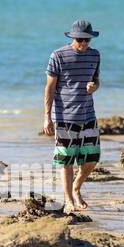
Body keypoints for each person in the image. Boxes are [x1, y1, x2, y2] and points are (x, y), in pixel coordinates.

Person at [42, 19, 101, 211]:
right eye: (80, 40)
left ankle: (77, 187)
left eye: (87, 40)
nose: (84, 43)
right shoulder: (58, 55)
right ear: (72, 37)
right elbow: (49, 88)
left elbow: (96, 81)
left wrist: (94, 87)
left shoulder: (94, 55)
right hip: (64, 118)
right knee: (66, 161)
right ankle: (68, 199)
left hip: (88, 115)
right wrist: (47, 117)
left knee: (91, 160)